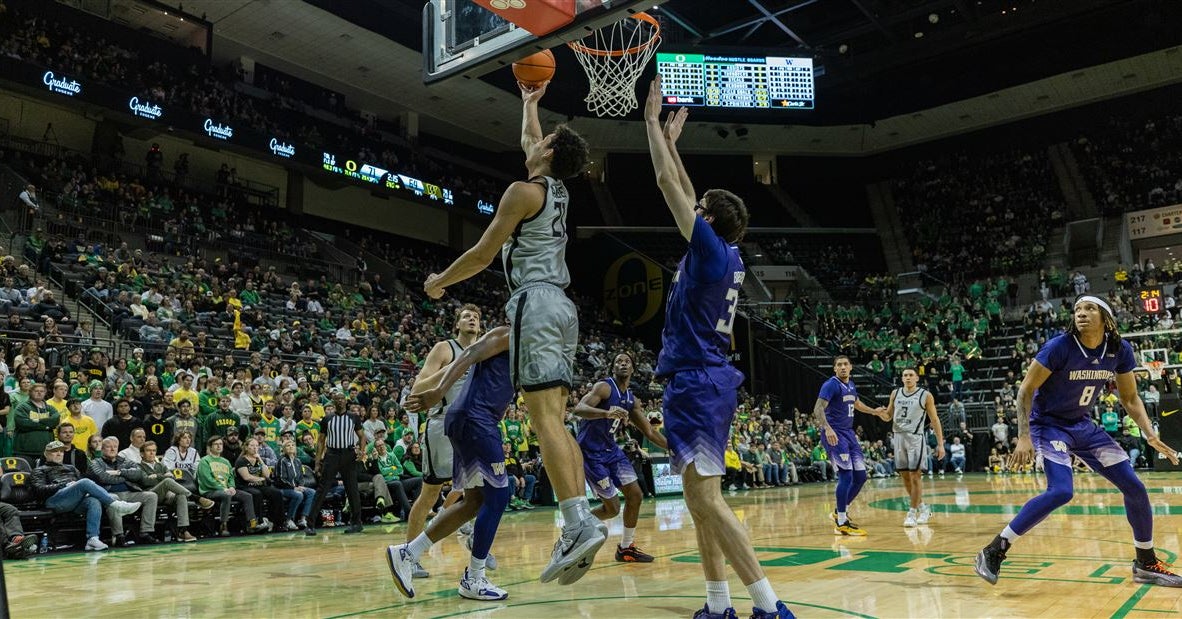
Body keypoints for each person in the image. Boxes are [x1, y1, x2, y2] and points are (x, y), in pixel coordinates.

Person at [419, 79, 602, 585]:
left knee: (545, 421)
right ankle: (578, 517)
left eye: (541, 141)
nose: (533, 142)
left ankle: (575, 521)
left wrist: (439, 282)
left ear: (548, 153)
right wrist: (529, 105)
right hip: (564, 308)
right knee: (556, 419)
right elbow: (532, 144)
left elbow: (481, 254)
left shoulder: (522, 192)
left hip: (536, 301)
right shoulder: (555, 188)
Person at [643, 80, 793, 619]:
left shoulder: (707, 250)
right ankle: (717, 604)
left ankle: (770, 606)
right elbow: (687, 187)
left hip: (698, 381)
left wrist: (650, 124)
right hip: (699, 380)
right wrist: (673, 142)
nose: (694, 204)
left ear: (707, 221)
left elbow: (667, 182)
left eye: (700, 208)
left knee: (707, 500)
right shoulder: (724, 250)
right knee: (696, 501)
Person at [975, 295, 1182, 587]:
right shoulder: (1059, 346)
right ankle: (994, 549)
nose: (1081, 313)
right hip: (1049, 426)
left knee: (1134, 486)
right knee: (1061, 491)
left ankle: (1146, 563)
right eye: (1077, 309)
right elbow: (1025, 390)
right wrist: (1023, 436)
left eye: (1089, 308)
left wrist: (1150, 433)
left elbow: (1130, 397)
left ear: (1106, 318)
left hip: (1082, 426)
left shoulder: (1119, 349)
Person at [387, 326, 516, 601]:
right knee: (499, 494)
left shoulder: (526, 351)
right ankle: (475, 577)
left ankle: (407, 552)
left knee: (474, 501)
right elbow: (468, 354)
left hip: (468, 419)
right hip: (474, 419)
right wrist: (437, 391)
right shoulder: (507, 334)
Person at [401, 303, 482, 579]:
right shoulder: (445, 349)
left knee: (480, 490)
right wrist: (453, 370)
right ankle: (408, 553)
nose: (471, 319)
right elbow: (419, 387)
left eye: (475, 317)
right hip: (442, 425)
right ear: (457, 324)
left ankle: (472, 539)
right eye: (466, 316)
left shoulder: (481, 351)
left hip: (471, 428)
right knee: (430, 494)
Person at [572, 351, 667, 563]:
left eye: (627, 361)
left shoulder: (630, 399)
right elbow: (579, 409)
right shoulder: (604, 387)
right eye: (618, 361)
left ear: (633, 368)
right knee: (612, 508)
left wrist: (675, 448)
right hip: (591, 453)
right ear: (613, 368)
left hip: (612, 451)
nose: (623, 363)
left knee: (635, 495)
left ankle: (626, 548)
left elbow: (650, 432)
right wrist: (605, 413)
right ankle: (574, 528)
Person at [814, 355, 889, 536]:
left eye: (845, 364)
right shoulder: (831, 384)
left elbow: (856, 403)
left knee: (861, 476)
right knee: (846, 476)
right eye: (839, 365)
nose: (842, 367)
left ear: (851, 367)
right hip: (835, 434)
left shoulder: (851, 385)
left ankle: (840, 510)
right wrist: (827, 428)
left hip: (849, 434)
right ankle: (841, 522)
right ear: (834, 369)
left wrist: (874, 412)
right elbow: (818, 409)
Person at [32, 440, 141, 551]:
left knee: (93, 501)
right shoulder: (39, 470)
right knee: (84, 482)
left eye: (61, 451)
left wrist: (78, 488)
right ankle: (116, 505)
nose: (59, 453)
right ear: (46, 454)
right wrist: (63, 485)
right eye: (54, 451)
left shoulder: (71, 468)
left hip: (73, 501)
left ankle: (92, 539)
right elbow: (39, 490)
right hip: (54, 501)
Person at [882, 368, 944, 527]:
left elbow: (934, 420)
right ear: (902, 378)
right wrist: (879, 413)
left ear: (917, 378)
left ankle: (911, 513)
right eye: (905, 375)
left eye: (911, 375)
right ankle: (923, 508)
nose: (908, 377)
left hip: (915, 438)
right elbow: (888, 415)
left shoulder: (925, 395)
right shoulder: (895, 393)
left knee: (915, 475)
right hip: (898, 437)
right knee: (905, 477)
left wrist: (940, 444)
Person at [305, 396, 367, 535]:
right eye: (337, 399)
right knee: (322, 489)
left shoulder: (353, 417)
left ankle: (357, 523)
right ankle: (310, 524)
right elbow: (321, 441)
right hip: (332, 455)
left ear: (346, 402)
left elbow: (362, 436)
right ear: (333, 402)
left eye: (342, 399)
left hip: (348, 454)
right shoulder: (327, 418)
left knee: (352, 489)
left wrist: (362, 452)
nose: (340, 401)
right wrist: (317, 461)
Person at [138, 440, 212, 542]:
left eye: (154, 451)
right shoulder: (138, 466)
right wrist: (162, 476)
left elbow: (172, 478)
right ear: (142, 453)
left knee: (180, 495)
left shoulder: (160, 465)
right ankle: (195, 498)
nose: (152, 453)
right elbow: (146, 481)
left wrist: (157, 476)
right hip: (150, 494)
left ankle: (183, 530)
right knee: (167, 481)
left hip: (166, 494)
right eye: (148, 451)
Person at [89, 437, 158, 546]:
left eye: (115, 446)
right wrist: (126, 476)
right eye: (108, 447)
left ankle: (145, 532)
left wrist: (119, 472)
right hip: (110, 493)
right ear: (102, 449)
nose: (112, 449)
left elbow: (138, 473)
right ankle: (119, 536)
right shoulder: (95, 463)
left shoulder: (124, 460)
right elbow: (103, 477)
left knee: (151, 496)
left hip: (130, 493)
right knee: (113, 499)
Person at [198, 436, 263, 536]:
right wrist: (224, 488)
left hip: (227, 489)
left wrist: (232, 487)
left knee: (247, 496)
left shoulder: (225, 461)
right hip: (210, 491)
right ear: (210, 447)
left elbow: (231, 478)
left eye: (220, 444)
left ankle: (252, 524)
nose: (219, 446)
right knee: (226, 495)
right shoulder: (204, 461)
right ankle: (223, 525)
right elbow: (207, 480)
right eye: (216, 444)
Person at [275, 439, 315, 531]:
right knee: (298, 495)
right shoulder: (282, 461)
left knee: (312, 492)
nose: (291, 447)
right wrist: (294, 488)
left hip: (295, 487)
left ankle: (303, 519)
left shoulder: (298, 461)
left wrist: (300, 486)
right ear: (284, 449)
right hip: (283, 488)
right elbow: (281, 479)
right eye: (288, 445)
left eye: (293, 445)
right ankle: (289, 520)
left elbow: (301, 477)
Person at [13, 383, 58, 463]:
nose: (39, 393)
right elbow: (23, 424)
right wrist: (46, 426)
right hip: (24, 452)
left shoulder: (50, 408)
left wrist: (36, 420)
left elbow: (55, 420)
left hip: (46, 451)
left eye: (42, 391)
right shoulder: (22, 407)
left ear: (45, 393)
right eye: (36, 391)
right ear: (30, 392)